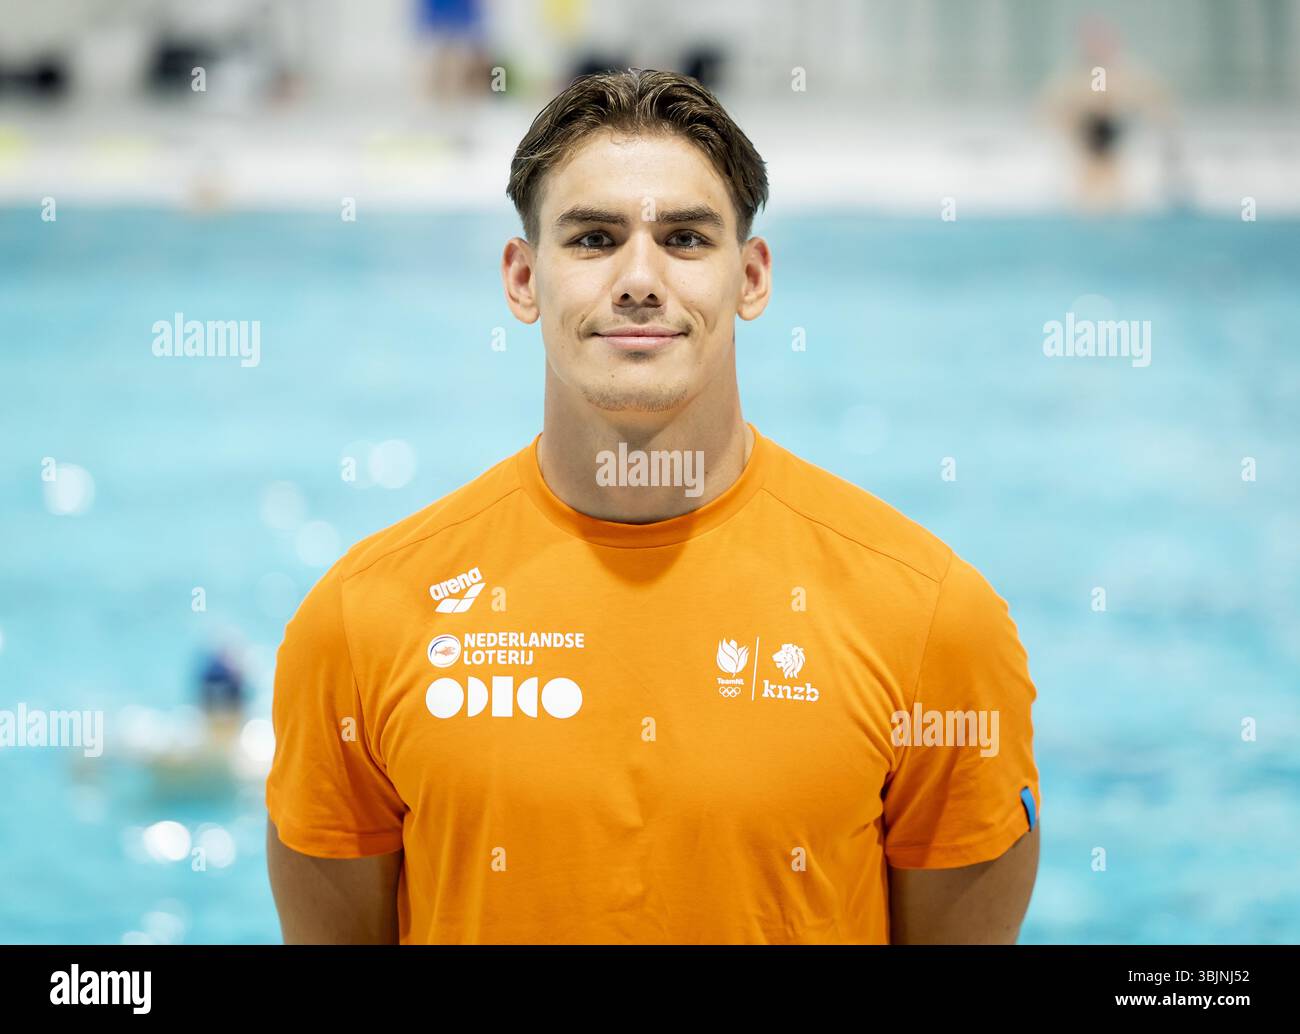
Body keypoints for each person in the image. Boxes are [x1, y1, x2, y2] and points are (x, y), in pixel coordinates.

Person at [265, 68, 1041, 945]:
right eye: (594, 238)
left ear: (751, 277)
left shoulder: (931, 622)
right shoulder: (363, 619)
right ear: (523, 280)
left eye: (685, 238)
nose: (640, 279)